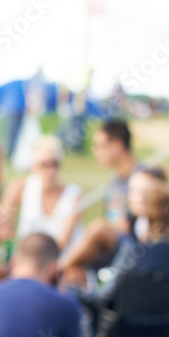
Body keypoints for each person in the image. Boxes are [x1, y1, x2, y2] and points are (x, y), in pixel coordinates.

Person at [60, 119, 141, 286]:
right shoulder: (115, 180)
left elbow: (128, 226)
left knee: (98, 227)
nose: (95, 151)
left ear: (117, 145)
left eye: (100, 146)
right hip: (111, 250)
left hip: (134, 249)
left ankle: (53, 271)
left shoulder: (142, 178)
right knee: (73, 273)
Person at [0, 135, 83, 252]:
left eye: (55, 164)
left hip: (59, 260)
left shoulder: (73, 195)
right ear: (32, 167)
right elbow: (0, 222)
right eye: (44, 165)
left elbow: (62, 242)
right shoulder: (19, 187)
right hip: (27, 258)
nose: (50, 171)